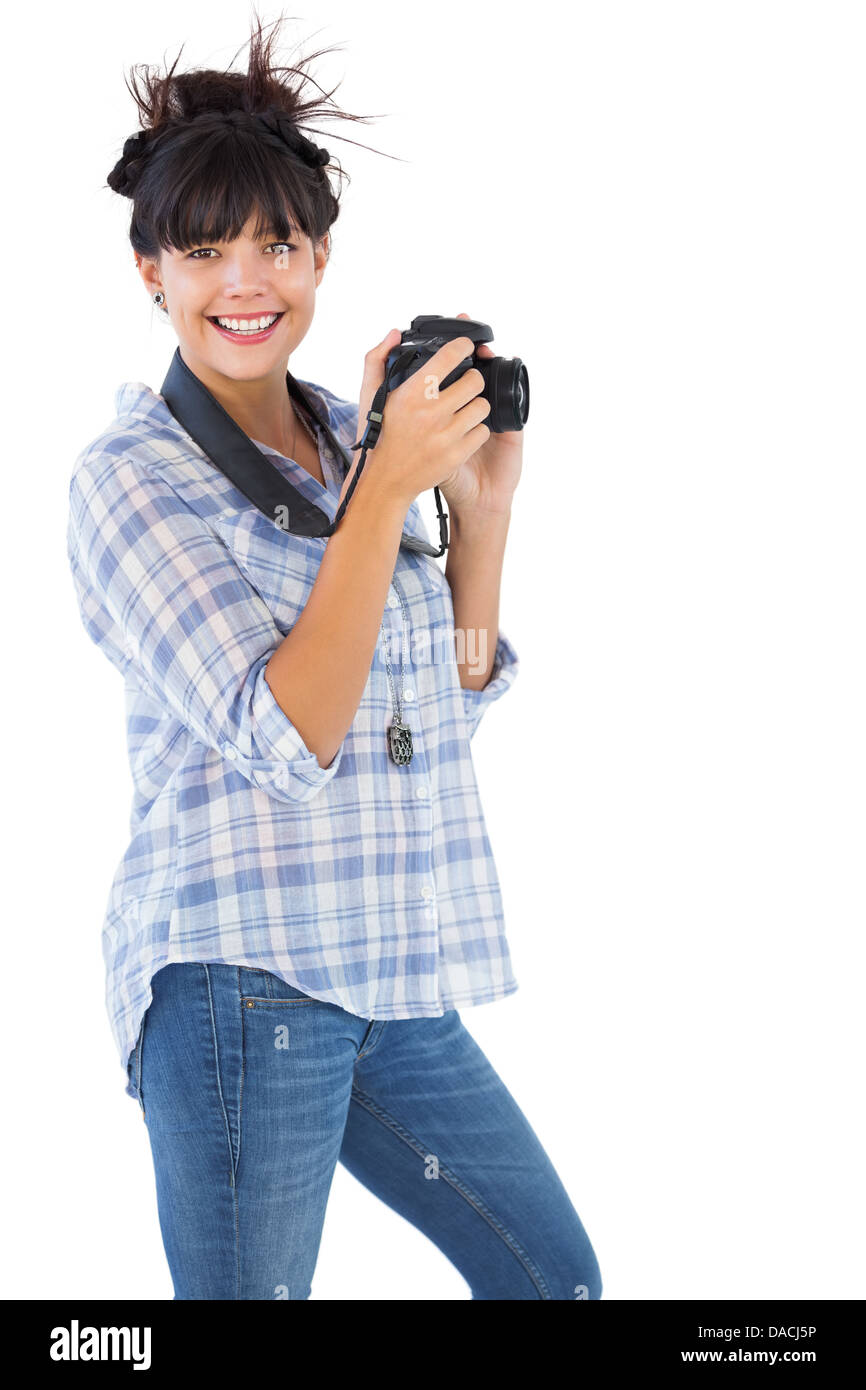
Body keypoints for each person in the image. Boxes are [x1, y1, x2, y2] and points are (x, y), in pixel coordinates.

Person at [66, 13, 603, 1300]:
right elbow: (287, 733)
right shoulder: (128, 482)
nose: (245, 282)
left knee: (554, 1282)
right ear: (149, 269)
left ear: (319, 258)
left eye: (278, 245)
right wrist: (382, 497)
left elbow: (436, 710)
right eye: (204, 251)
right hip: (239, 983)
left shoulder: (356, 440)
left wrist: (478, 511)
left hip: (385, 965)